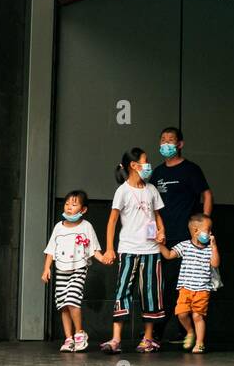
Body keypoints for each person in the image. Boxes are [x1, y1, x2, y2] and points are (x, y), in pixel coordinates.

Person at [147, 126, 213, 341]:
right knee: (160, 284)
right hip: (162, 237)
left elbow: (207, 194)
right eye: (163, 140)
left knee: (182, 283)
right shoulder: (157, 173)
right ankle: (156, 329)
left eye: (171, 140)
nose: (166, 144)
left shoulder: (191, 170)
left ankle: (184, 330)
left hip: (186, 237)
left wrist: (204, 224)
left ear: (180, 144)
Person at [98, 147, 166, 353]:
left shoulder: (152, 189)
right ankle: (116, 339)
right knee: (123, 291)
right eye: (145, 162)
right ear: (134, 166)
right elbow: (112, 221)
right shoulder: (123, 191)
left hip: (152, 250)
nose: (148, 166)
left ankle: (148, 339)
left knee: (150, 293)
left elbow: (158, 217)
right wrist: (110, 249)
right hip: (128, 249)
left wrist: (162, 233)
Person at [41, 190, 102, 352]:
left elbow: (94, 248)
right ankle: (69, 339)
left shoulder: (86, 226)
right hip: (61, 270)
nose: (69, 207)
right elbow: (50, 250)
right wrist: (46, 269)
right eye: (67, 204)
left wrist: (103, 258)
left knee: (72, 300)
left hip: (78, 269)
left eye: (74, 205)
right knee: (63, 305)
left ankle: (79, 333)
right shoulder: (58, 228)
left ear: (83, 210)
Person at [157, 213, 219, 353]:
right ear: (196, 231)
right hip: (185, 289)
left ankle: (199, 342)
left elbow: (215, 263)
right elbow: (169, 255)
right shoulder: (185, 246)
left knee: (198, 316)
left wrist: (214, 246)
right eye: (208, 230)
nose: (210, 233)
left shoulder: (209, 249)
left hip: (202, 289)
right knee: (181, 314)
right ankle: (190, 332)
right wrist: (159, 244)